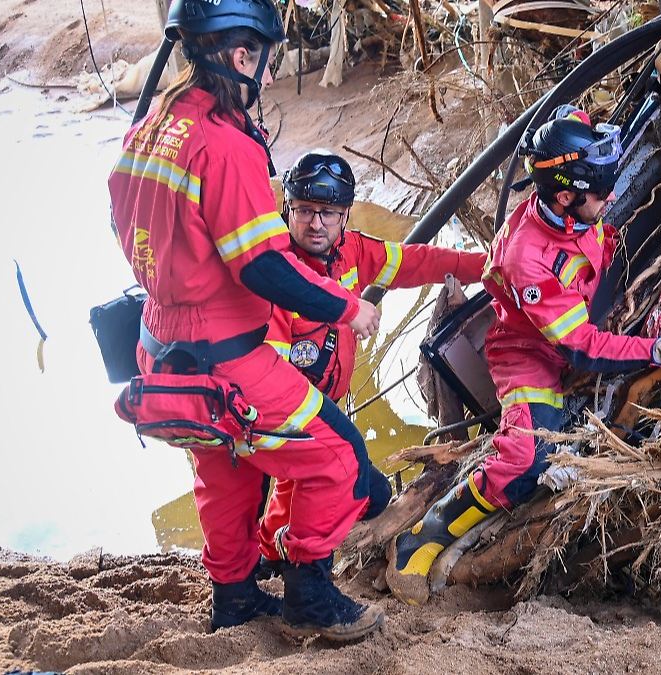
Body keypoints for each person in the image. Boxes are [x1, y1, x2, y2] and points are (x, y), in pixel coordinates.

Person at [108, 0, 382, 641]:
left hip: (159, 349)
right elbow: (264, 269)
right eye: (259, 56)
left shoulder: (148, 128)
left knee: (223, 474)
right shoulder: (225, 146)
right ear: (241, 54)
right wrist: (349, 307)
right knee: (341, 454)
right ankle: (310, 592)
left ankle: (233, 598)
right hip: (226, 358)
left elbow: (129, 225)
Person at [385, 106, 661, 604]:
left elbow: (581, 130)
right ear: (565, 196)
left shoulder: (573, 197)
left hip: (570, 330)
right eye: (599, 193)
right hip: (528, 353)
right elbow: (583, 347)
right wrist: (659, 348)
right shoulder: (528, 258)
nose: (609, 198)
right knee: (523, 460)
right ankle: (422, 539)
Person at [256, 150, 486, 554]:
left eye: (328, 212)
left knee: (300, 490)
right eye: (305, 210)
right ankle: (301, 566)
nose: (315, 223)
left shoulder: (353, 253)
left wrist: (486, 265)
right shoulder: (276, 272)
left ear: (345, 215)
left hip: (318, 406)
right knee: (355, 484)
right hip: (289, 410)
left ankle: (273, 553)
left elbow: (416, 262)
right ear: (287, 209)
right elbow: (268, 368)